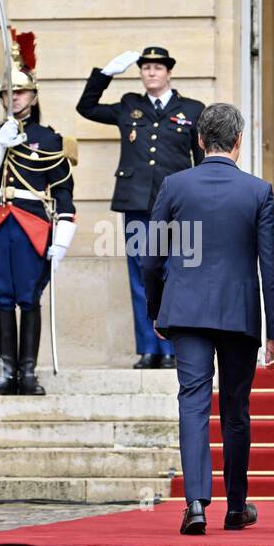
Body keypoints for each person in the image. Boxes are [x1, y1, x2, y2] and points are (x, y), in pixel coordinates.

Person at [142, 102, 274, 536]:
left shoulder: (174, 185)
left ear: (200, 140)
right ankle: (237, 505)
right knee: (236, 409)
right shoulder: (258, 191)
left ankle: (195, 504)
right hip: (239, 313)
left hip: (186, 310)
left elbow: (151, 259)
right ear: (239, 141)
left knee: (193, 402)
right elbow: (271, 265)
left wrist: (156, 308)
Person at [77, 45, 204, 368]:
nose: (151, 72)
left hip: (178, 205)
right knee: (141, 275)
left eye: (158, 67)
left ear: (169, 72)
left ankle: (174, 349)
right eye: (145, 67)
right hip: (136, 204)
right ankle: (149, 348)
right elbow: (86, 108)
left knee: (178, 274)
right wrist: (105, 74)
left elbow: (201, 160)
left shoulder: (192, 109)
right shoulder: (129, 105)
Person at [0, 30, 76, 396]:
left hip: (32, 223)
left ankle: (28, 373)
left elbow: (63, 190)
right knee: (2, 295)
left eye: (21, 92)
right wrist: (0, 142)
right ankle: (4, 372)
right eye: (8, 93)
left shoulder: (49, 139)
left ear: (33, 96)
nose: (14, 98)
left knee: (29, 296)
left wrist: (61, 240)